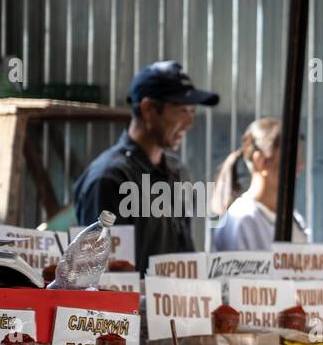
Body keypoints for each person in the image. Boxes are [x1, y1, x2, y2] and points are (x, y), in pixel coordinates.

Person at [72, 60, 219, 272]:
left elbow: (185, 257)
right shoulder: (109, 178)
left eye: (192, 111)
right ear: (148, 109)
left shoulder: (179, 174)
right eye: (180, 111)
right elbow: (99, 274)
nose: (189, 123)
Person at [210, 117, 308, 250]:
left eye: (300, 157)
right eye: (292, 158)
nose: (300, 166)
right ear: (259, 161)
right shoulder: (242, 220)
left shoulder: (294, 219)